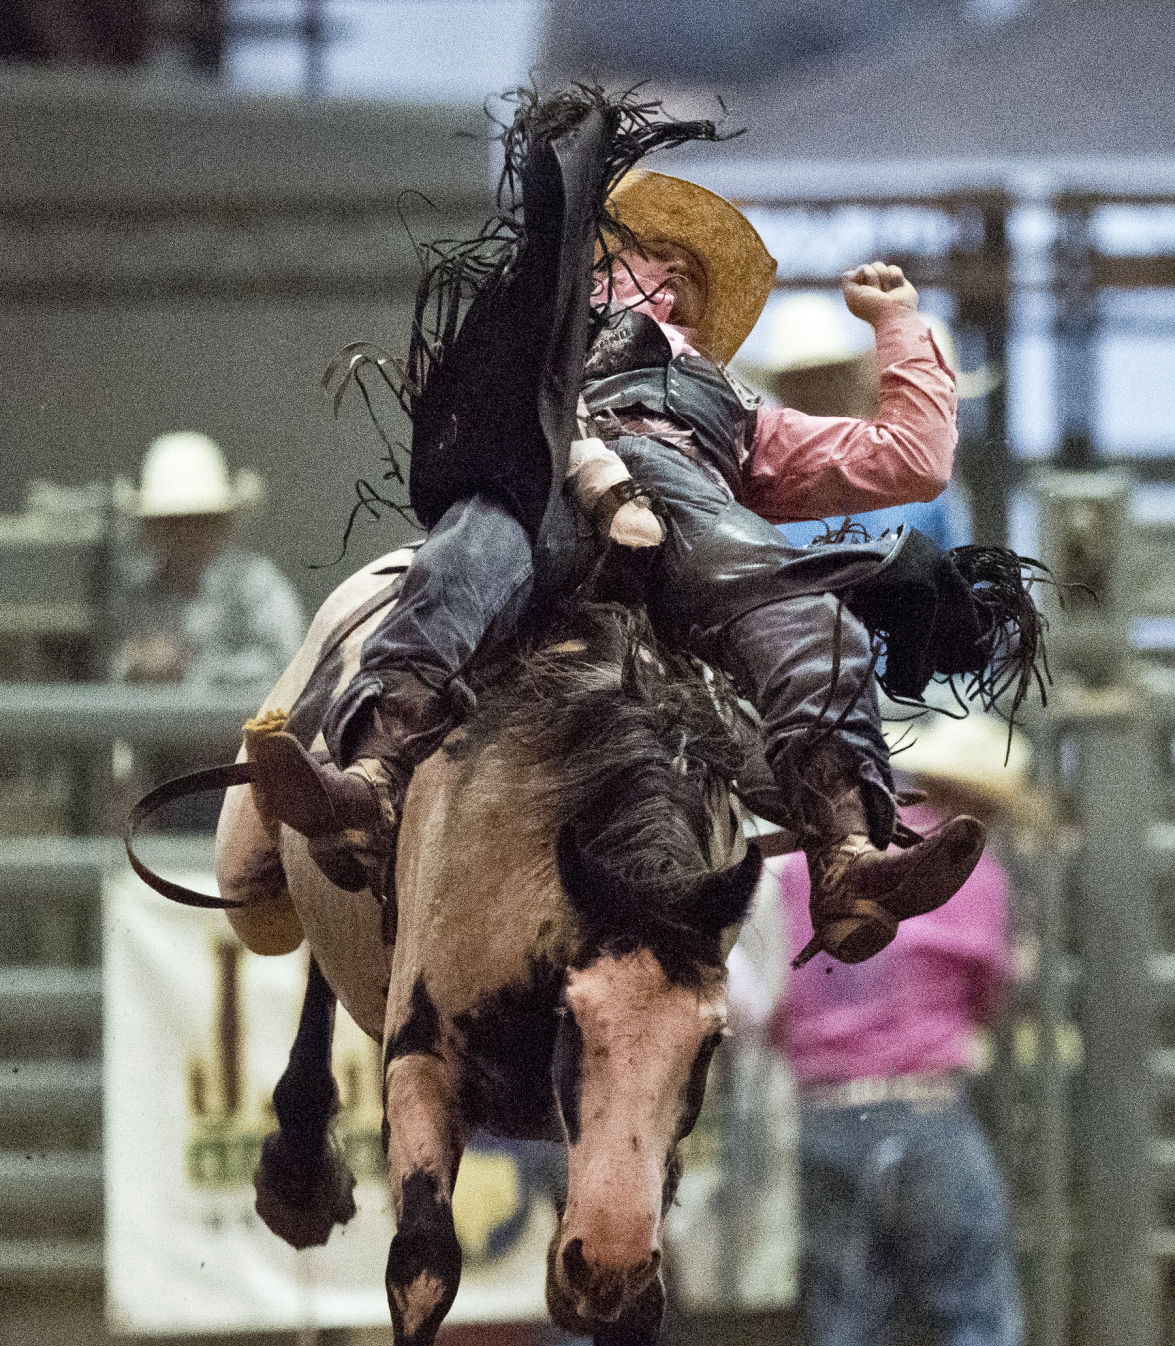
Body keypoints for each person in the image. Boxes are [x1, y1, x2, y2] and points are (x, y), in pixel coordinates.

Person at [246, 88, 1038, 966]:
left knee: (808, 616)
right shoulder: (534, 348)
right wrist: (599, 479)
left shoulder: (740, 412)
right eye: (638, 257)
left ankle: (846, 851)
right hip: (536, 490)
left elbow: (908, 459)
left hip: (689, 520)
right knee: (469, 551)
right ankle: (370, 781)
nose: (661, 272)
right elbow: (505, 427)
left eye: (684, 269)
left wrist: (899, 326)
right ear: (583, 280)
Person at [773, 709, 1030, 1346]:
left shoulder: (797, 874)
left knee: (846, 1325)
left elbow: (766, 1002)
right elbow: (992, 992)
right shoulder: (970, 871)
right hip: (922, 1108)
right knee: (975, 1316)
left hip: (823, 1114)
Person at [733, 290, 993, 552]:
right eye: (804, 380)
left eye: (828, 376)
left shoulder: (909, 481)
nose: (818, 390)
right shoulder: (754, 479)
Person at [109, 431, 305, 693]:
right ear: (151, 528)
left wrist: (191, 670)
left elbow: (292, 671)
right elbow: (103, 675)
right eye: (172, 523)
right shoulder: (133, 596)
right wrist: (134, 667)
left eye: (199, 521)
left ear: (221, 523)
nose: (186, 534)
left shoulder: (256, 585)